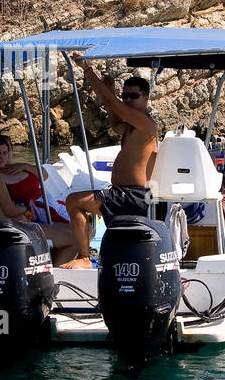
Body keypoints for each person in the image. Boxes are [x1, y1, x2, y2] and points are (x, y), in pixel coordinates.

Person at [59, 55, 159, 269]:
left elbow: (110, 102)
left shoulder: (145, 125)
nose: (128, 100)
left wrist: (86, 69)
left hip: (133, 196)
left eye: (134, 96)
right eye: (126, 96)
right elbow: (114, 122)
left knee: (74, 201)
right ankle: (86, 253)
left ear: (146, 98)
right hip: (122, 193)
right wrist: (113, 93)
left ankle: (85, 258)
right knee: (75, 201)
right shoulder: (132, 126)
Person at [0, 134, 77, 265]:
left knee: (72, 231)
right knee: (74, 239)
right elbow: (10, 211)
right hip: (16, 226)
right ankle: (55, 277)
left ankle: (52, 267)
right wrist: (27, 207)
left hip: (17, 223)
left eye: (5, 152)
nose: (2, 157)